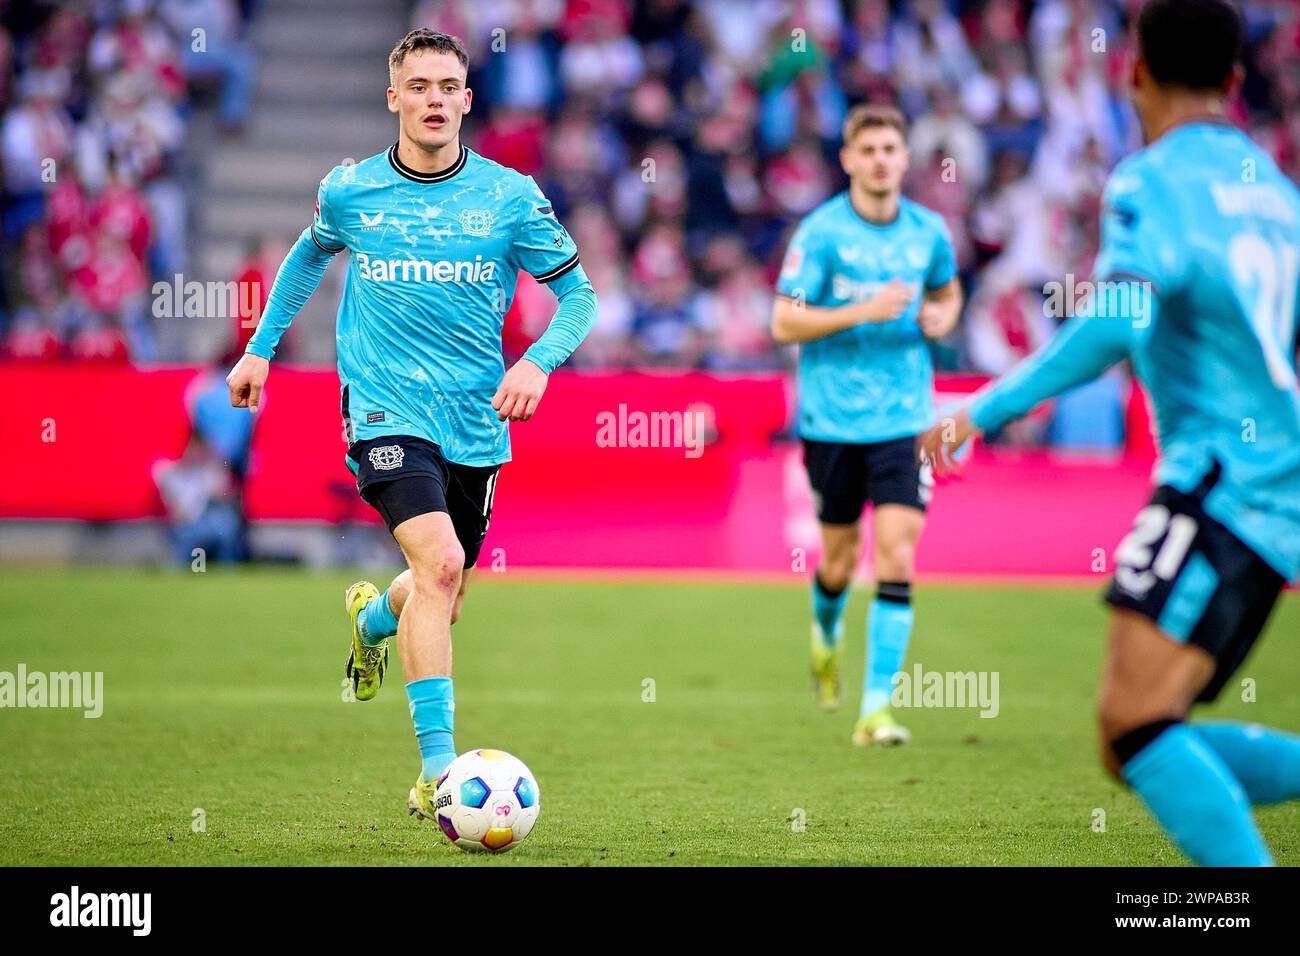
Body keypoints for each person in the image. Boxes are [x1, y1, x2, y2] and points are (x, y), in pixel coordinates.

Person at [919, 0, 1300, 865]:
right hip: (1273, 479)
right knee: (1138, 734)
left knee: (1132, 730)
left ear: (1134, 71)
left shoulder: (1149, 179)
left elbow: (1119, 319)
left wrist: (983, 408)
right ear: (1237, 81)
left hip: (1219, 479)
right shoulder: (1276, 195)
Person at [224, 29, 596, 820]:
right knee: (439, 563)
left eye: (447, 86)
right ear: (393, 97)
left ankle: (369, 620)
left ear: (467, 99)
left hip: (477, 419)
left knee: (443, 587)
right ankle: (439, 772)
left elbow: (581, 298)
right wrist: (259, 350)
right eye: (418, 85)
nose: (433, 99)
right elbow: (305, 258)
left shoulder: (509, 196)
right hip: (385, 406)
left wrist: (536, 362)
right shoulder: (351, 190)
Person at [771, 104, 962, 746]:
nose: (881, 159)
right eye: (869, 150)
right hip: (831, 422)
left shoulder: (929, 232)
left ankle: (876, 710)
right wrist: (862, 309)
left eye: (891, 149)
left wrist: (944, 315)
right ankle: (826, 633)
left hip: (907, 421)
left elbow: (948, 290)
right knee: (840, 558)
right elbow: (783, 322)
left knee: (897, 554)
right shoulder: (821, 234)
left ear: (905, 159)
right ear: (849, 160)